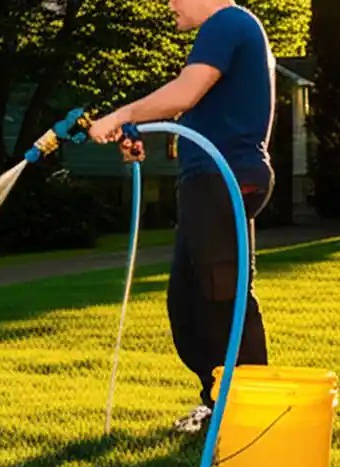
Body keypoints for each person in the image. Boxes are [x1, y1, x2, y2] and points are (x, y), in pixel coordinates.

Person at [88, 0, 276, 434]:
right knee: (189, 303)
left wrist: (121, 115)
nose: (169, 3)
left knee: (220, 296)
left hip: (222, 178)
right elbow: (197, 108)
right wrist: (139, 132)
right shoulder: (232, 28)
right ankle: (219, 404)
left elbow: (185, 92)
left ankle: (245, 411)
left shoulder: (226, 22)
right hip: (211, 178)